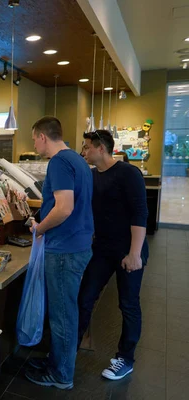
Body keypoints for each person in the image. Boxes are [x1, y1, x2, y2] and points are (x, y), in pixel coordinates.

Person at [25, 116, 94, 390]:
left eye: (34, 139)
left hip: (65, 249)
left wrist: (40, 228)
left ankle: (61, 375)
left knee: (63, 314)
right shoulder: (78, 160)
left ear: (43, 136)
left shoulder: (59, 162)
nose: (33, 144)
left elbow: (64, 208)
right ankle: (56, 361)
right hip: (78, 244)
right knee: (66, 310)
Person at [78, 130, 148, 380]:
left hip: (129, 249)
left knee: (128, 303)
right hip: (102, 249)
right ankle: (69, 348)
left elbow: (140, 214)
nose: (84, 152)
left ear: (100, 148)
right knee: (85, 297)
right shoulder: (91, 175)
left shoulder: (128, 173)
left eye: (86, 147)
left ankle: (125, 358)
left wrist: (135, 254)